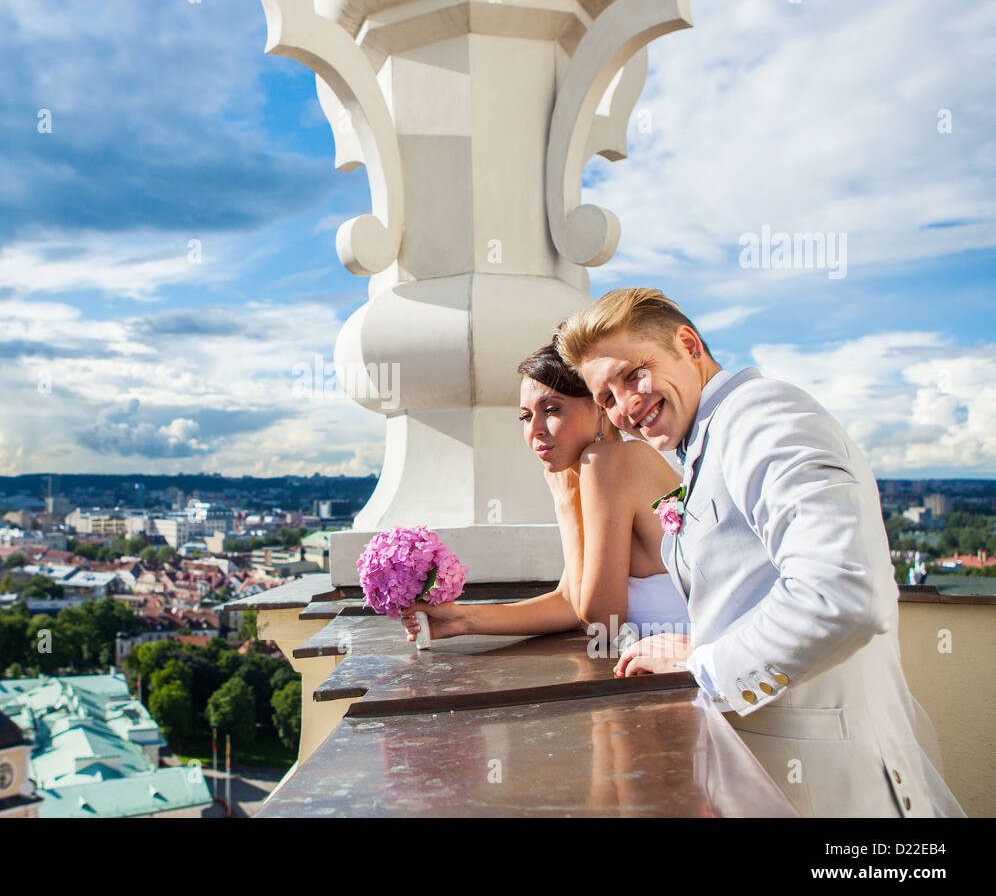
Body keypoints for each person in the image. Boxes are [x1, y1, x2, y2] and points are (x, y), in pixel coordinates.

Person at [554, 285, 964, 817]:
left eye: (634, 375)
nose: (625, 407)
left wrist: (705, 666)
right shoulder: (702, 440)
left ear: (688, 343)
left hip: (827, 791)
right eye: (606, 397)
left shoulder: (761, 414)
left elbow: (842, 591)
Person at [400, 342, 690, 645]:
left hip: (699, 677)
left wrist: (565, 504)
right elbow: (569, 601)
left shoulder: (609, 460)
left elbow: (601, 620)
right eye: (526, 416)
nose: (535, 429)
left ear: (599, 406)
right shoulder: (597, 467)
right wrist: (462, 619)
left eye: (551, 409)